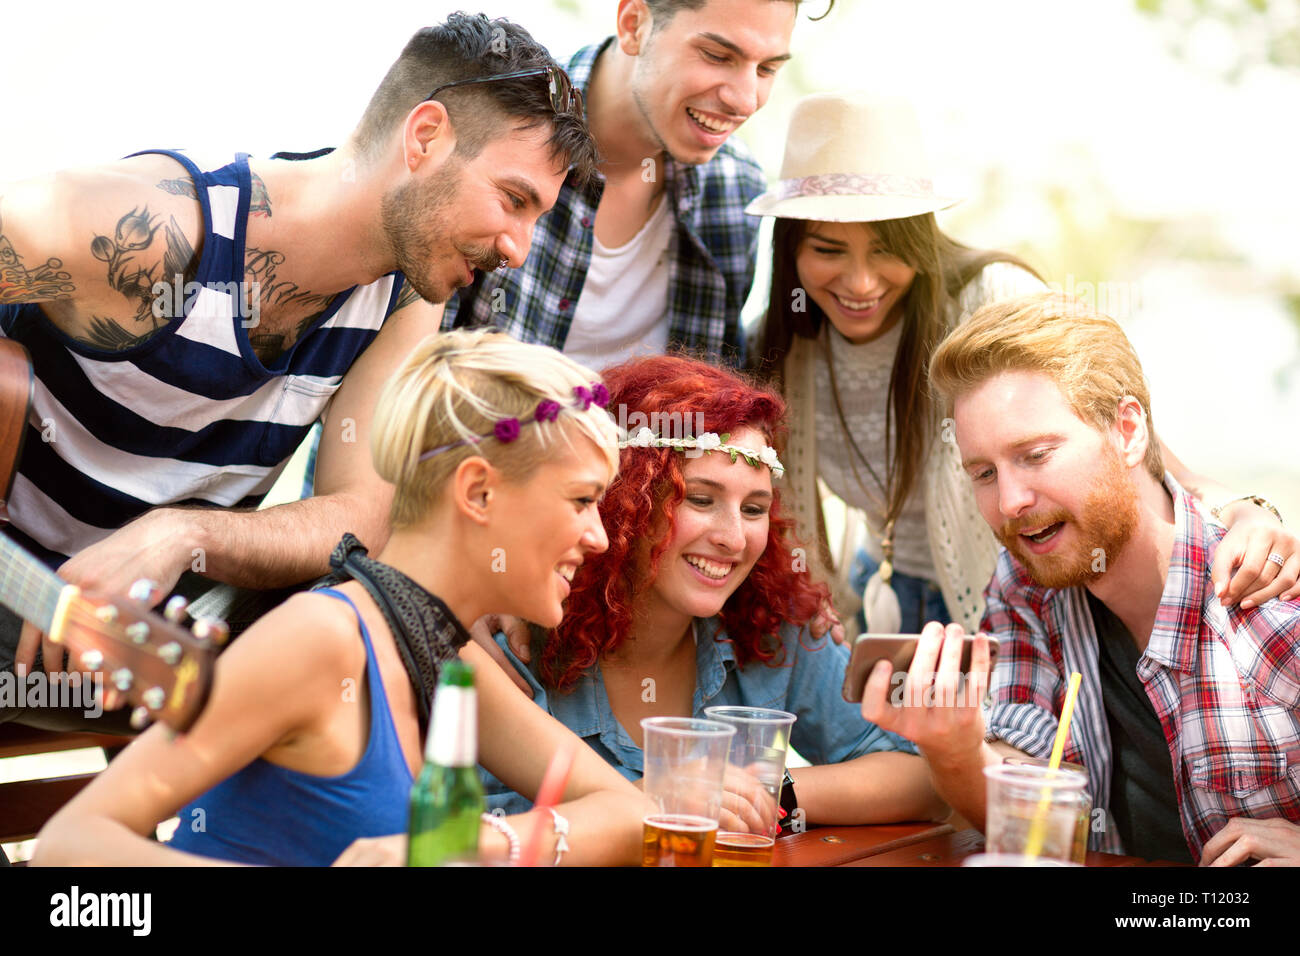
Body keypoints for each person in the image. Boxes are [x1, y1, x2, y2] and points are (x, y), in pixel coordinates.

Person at [0, 14, 597, 731]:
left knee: (367, 602)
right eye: (513, 199)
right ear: (426, 136)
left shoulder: (401, 300)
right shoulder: (158, 228)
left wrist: (175, 535)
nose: (519, 247)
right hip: (22, 608)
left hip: (139, 649)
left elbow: (361, 517)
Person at [33, 329, 649, 866]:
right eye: (580, 500)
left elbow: (634, 817)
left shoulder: (440, 657)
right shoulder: (325, 639)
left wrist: (479, 843)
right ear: (479, 493)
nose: (598, 537)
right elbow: (71, 846)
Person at [748, 91, 1299, 638]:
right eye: (828, 250)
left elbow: (1135, 448)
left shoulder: (992, 297)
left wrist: (1246, 511)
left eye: (886, 248)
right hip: (881, 589)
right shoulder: (777, 348)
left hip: (1020, 597)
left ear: (921, 241)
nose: (861, 281)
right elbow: (777, 508)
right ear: (791, 250)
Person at [859, 292, 1300, 866]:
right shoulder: (1026, 589)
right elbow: (1030, 815)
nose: (1011, 501)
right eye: (985, 472)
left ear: (1127, 430)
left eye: (1036, 455)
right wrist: (953, 750)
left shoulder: (1271, 604)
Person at [482, 355, 946, 832]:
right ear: (621, 503)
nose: (734, 538)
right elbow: (471, 834)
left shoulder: (768, 621)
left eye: (753, 508)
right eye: (701, 499)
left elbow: (920, 777)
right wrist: (643, 806)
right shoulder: (515, 640)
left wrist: (757, 789)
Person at [444, 0, 830, 368]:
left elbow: (716, 392)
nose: (745, 101)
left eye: (766, 69)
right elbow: (411, 377)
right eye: (717, 56)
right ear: (634, 25)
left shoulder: (734, 187)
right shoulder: (495, 132)